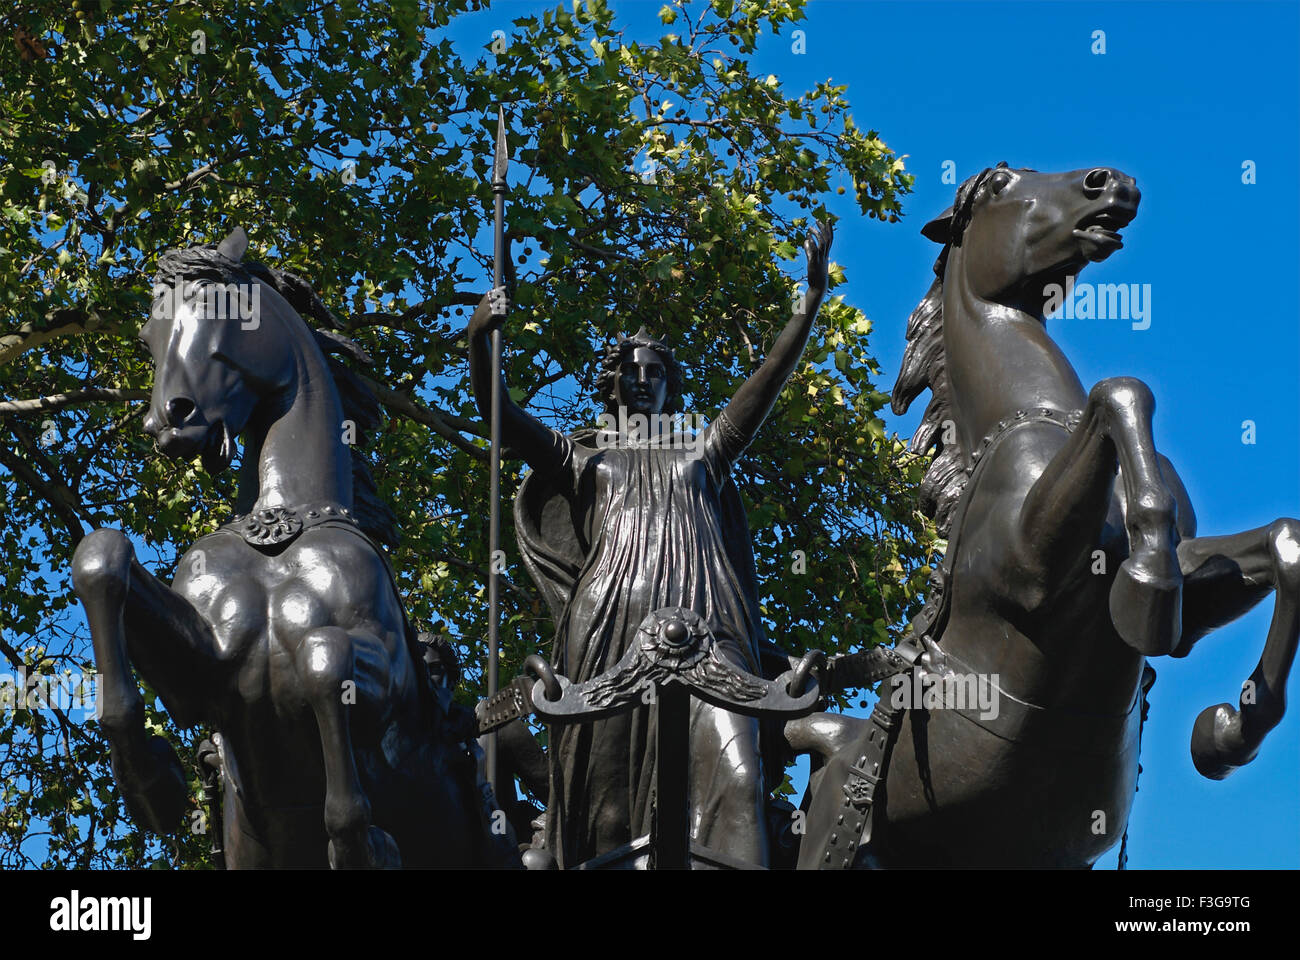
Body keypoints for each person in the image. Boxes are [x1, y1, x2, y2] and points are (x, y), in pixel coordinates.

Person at [468, 222, 833, 867]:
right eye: (631, 372)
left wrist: (807, 304)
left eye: (657, 372)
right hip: (609, 625)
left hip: (707, 624)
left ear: (672, 385)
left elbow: (767, 381)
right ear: (611, 384)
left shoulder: (706, 449)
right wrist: (480, 338)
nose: (643, 380)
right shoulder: (583, 457)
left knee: (741, 780)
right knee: (604, 806)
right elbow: (500, 414)